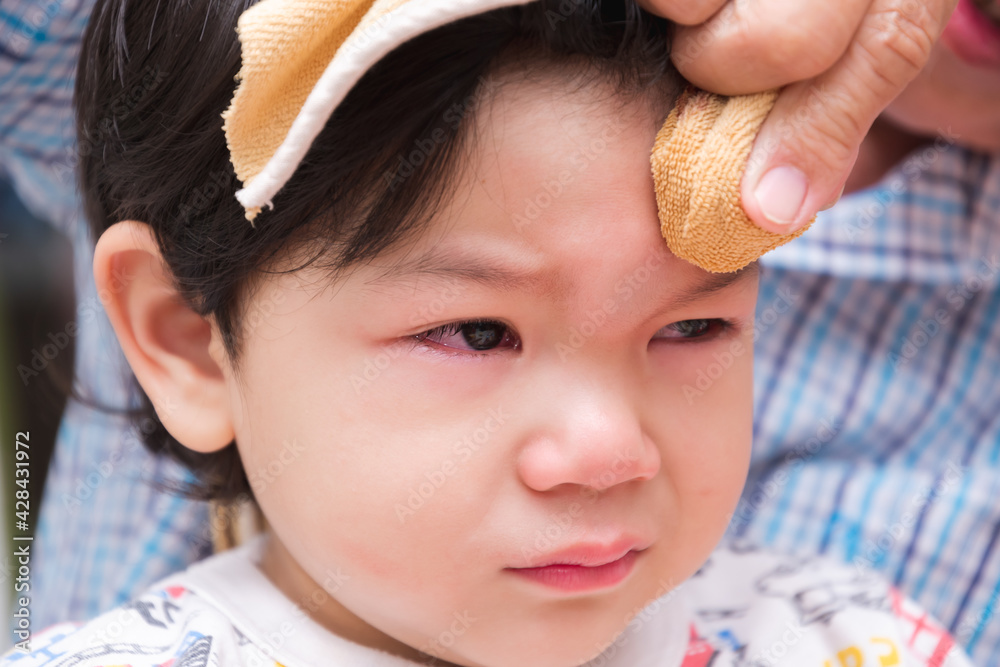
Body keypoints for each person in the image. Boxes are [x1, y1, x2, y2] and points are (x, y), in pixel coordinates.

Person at [0, 0, 975, 665]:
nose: (606, 451)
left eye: (690, 323)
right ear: (185, 338)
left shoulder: (850, 636)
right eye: (475, 332)